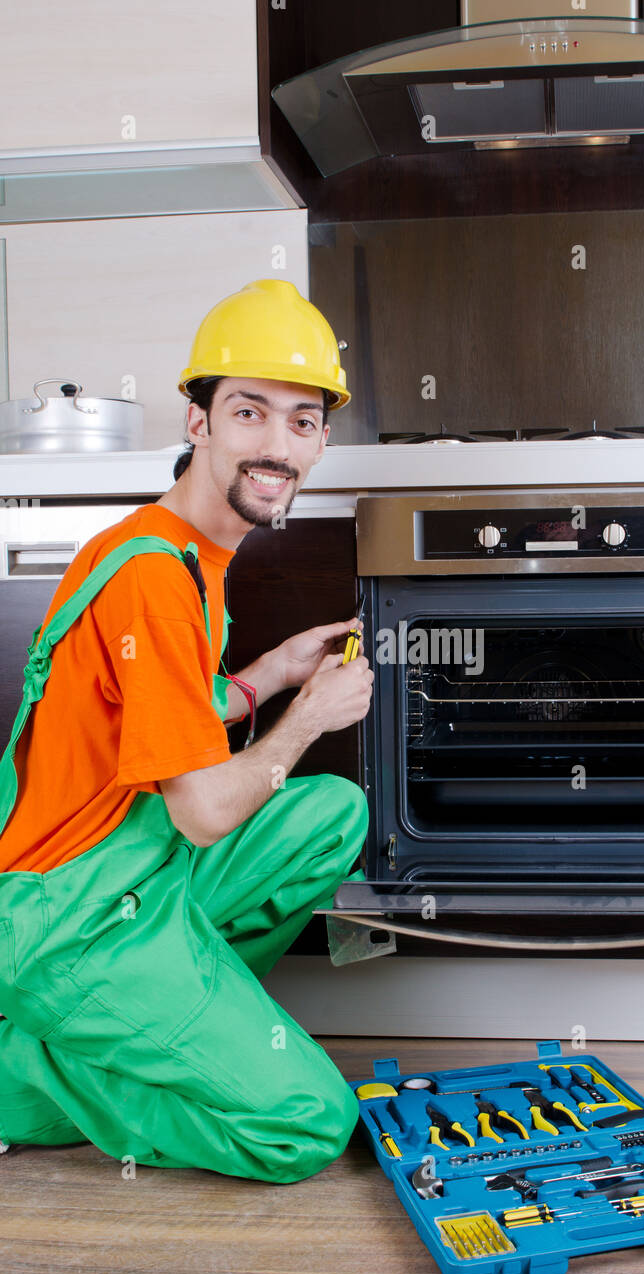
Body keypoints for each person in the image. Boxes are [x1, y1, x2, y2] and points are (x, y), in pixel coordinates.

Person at [0, 279, 373, 1183]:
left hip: (139, 870)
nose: (276, 446)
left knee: (330, 812)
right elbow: (204, 809)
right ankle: (32, 1071)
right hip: (73, 918)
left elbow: (159, 714)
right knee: (307, 1126)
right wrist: (300, 721)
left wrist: (264, 677)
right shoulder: (155, 581)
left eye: (302, 420)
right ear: (198, 421)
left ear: (320, 439)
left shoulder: (181, 553)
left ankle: (172, 1015)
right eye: (249, 412)